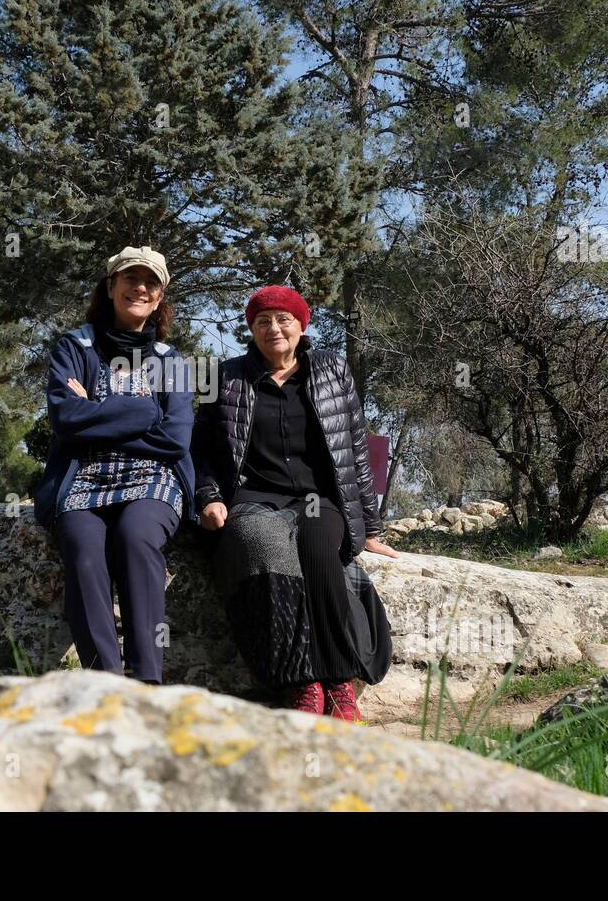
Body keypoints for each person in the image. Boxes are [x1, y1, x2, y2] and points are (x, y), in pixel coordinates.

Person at [192, 285, 398, 719]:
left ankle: (339, 681)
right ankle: (301, 682)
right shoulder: (223, 376)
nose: (273, 329)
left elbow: (355, 449)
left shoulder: (331, 370)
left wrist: (372, 528)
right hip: (253, 497)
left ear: (302, 325)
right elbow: (203, 450)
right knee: (264, 549)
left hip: (316, 499)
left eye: (283, 319)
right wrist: (209, 497)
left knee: (320, 550)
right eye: (262, 321)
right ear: (250, 329)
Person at [33, 245, 195, 683]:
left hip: (154, 481)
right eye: (130, 279)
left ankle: (146, 680)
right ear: (111, 286)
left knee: (136, 537)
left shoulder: (171, 361)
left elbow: (176, 440)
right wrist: (142, 412)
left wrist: (98, 413)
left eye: (150, 283)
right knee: (84, 548)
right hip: (82, 477)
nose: (139, 288)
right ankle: (103, 683)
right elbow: (65, 420)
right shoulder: (76, 345)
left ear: (159, 298)